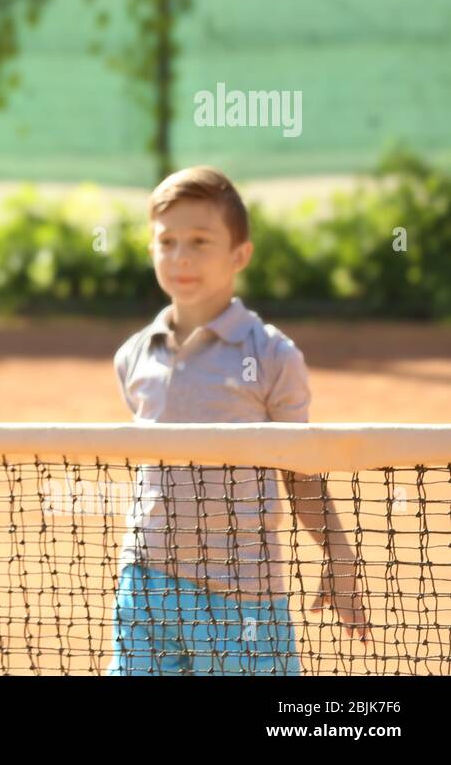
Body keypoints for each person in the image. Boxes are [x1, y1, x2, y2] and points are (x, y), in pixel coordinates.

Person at [108, 166, 369, 675]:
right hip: (144, 585)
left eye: (201, 241)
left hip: (242, 599)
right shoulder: (133, 357)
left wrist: (338, 552)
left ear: (240, 255)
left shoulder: (272, 355)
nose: (181, 256)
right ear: (151, 251)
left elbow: (301, 473)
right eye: (167, 241)